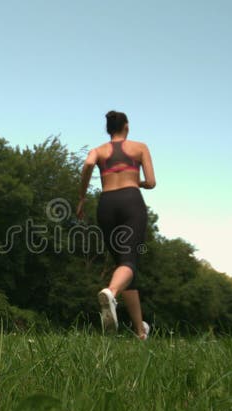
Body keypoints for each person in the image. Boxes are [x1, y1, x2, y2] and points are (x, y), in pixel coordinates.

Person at [76, 110, 156, 340]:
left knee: (125, 266)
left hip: (107, 204)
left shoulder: (98, 151)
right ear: (127, 126)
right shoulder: (140, 148)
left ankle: (140, 331)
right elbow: (151, 182)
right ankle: (110, 293)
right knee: (129, 260)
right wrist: (135, 181)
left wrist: (81, 198)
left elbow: (88, 165)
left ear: (108, 130)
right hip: (131, 201)